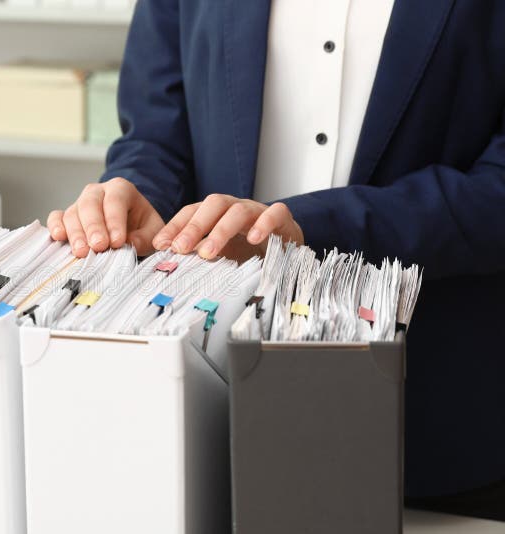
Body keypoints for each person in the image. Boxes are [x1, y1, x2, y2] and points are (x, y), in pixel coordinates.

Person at [47, 0, 505, 522]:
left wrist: (312, 228)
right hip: (203, 408)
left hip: (439, 422)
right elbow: (155, 132)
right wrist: (136, 191)